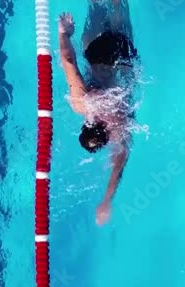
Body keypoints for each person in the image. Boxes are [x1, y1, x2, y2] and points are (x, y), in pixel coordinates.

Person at [56, 0, 138, 227]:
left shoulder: (120, 124)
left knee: (119, 7)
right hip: (97, 52)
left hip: (123, 55)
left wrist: (107, 200)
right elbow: (68, 61)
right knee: (96, 6)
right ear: (85, 124)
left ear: (107, 135)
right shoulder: (82, 104)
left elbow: (119, 163)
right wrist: (64, 34)